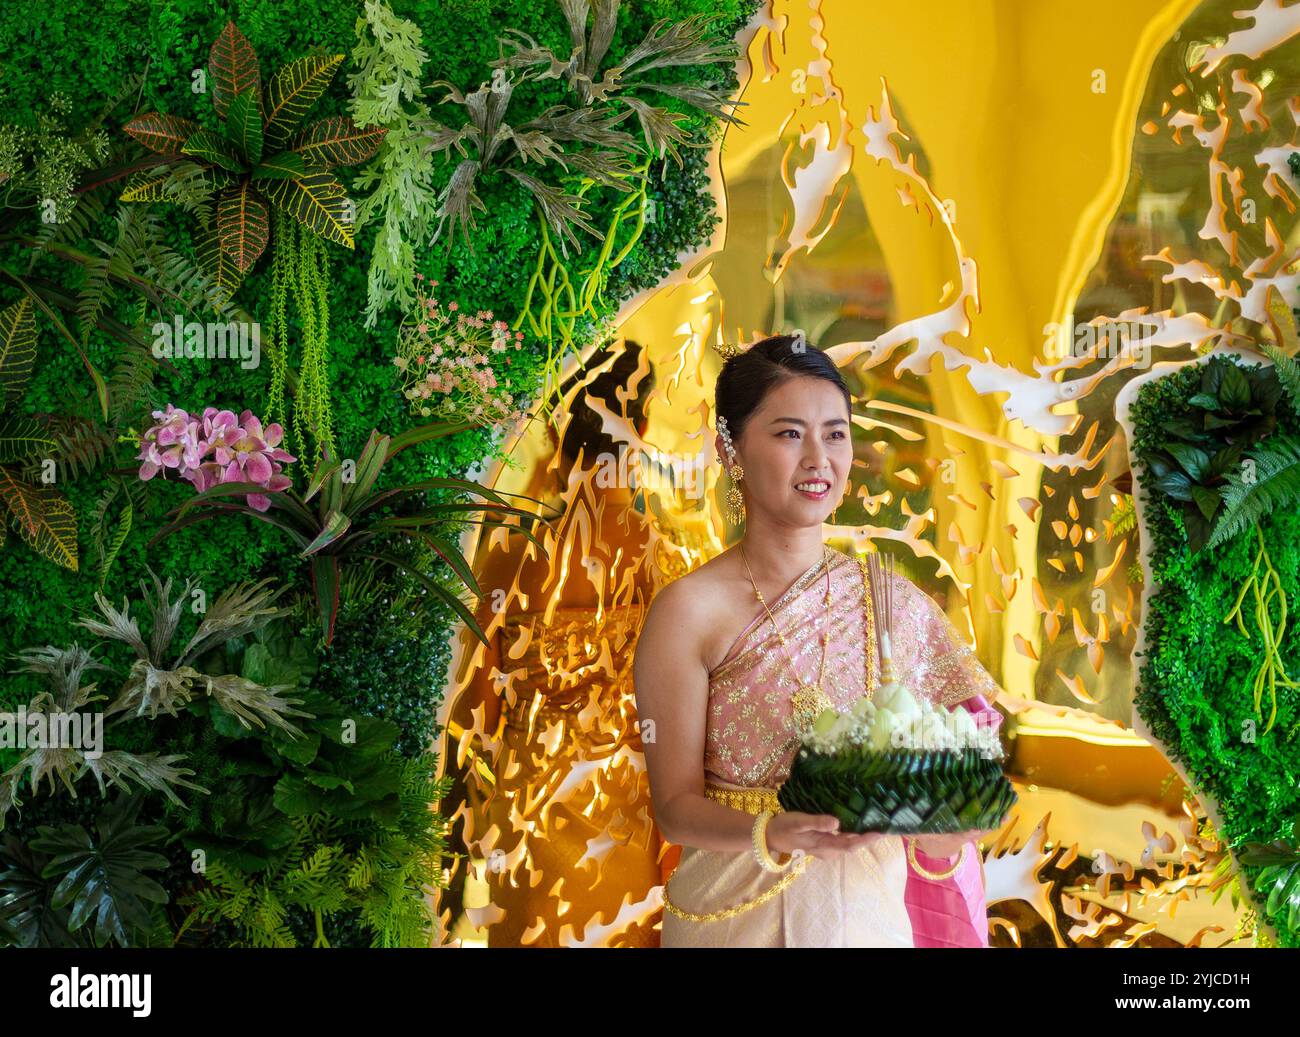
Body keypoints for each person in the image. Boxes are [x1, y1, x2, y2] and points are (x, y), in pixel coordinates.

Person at [633, 334, 1006, 947]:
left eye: (835, 434)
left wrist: (943, 828)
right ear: (731, 449)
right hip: (732, 917)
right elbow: (674, 809)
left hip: (866, 919)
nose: (818, 459)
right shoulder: (688, 612)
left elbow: (954, 788)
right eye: (789, 434)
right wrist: (771, 832)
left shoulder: (891, 604)